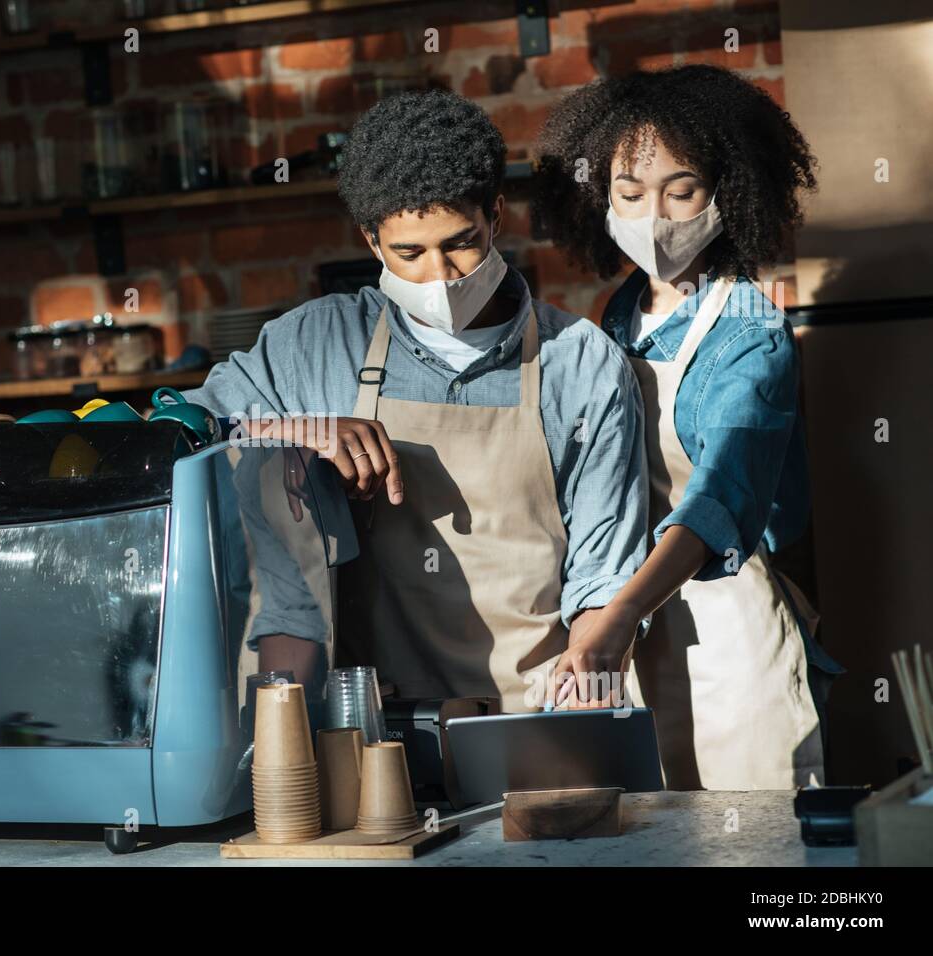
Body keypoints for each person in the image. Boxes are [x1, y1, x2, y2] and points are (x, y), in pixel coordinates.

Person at [182, 88, 648, 711]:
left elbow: (604, 577)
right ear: (371, 242)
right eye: (409, 253)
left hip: (530, 711)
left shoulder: (580, 361)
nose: (441, 275)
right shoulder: (317, 343)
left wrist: (586, 685)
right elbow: (176, 436)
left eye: (461, 242)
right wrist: (295, 430)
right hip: (370, 726)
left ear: (497, 216)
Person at [532, 64, 844, 789]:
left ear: (726, 192)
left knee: (752, 841)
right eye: (630, 193)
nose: (656, 216)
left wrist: (621, 612)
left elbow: (722, 499)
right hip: (631, 619)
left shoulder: (751, 329)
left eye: (683, 191)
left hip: (723, 617)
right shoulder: (616, 315)